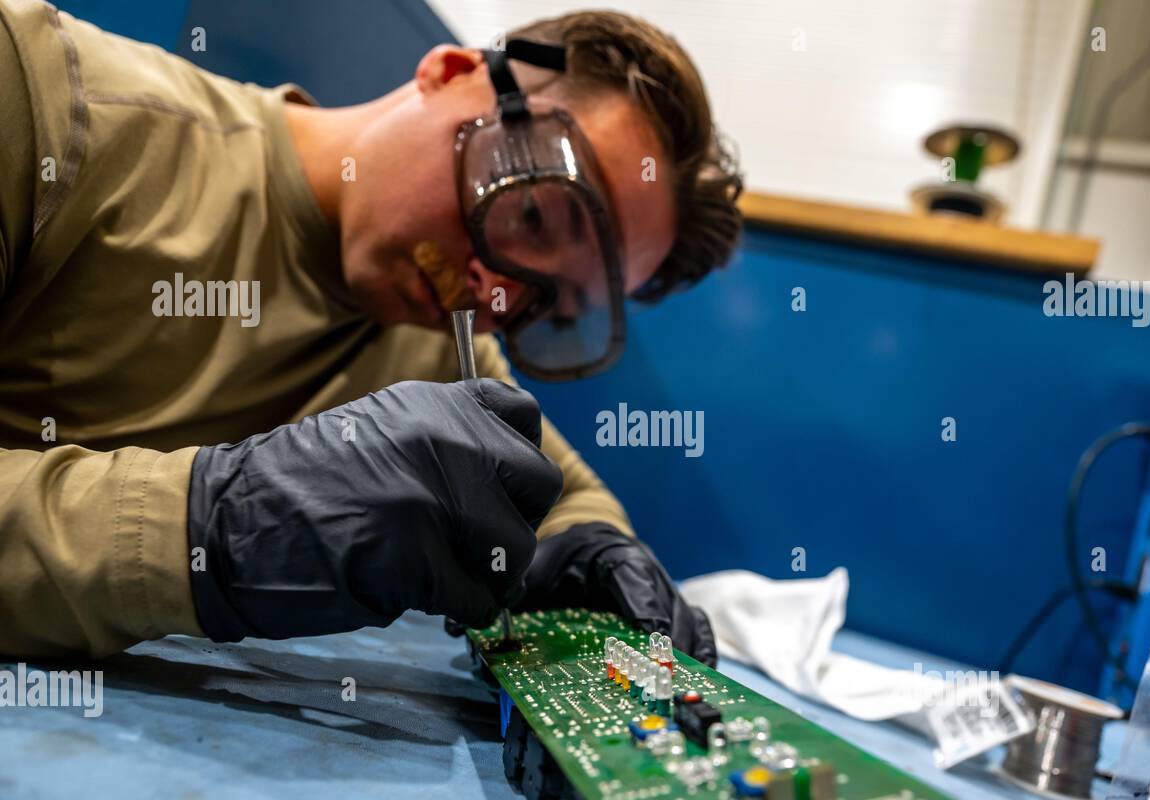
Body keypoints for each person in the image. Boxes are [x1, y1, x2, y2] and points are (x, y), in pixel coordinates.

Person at [0, 0, 743, 663]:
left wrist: (586, 553)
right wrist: (208, 532)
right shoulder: (43, 101)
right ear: (452, 73)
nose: (494, 289)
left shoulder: (439, 348)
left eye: (550, 305)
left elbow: (562, 500)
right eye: (534, 215)